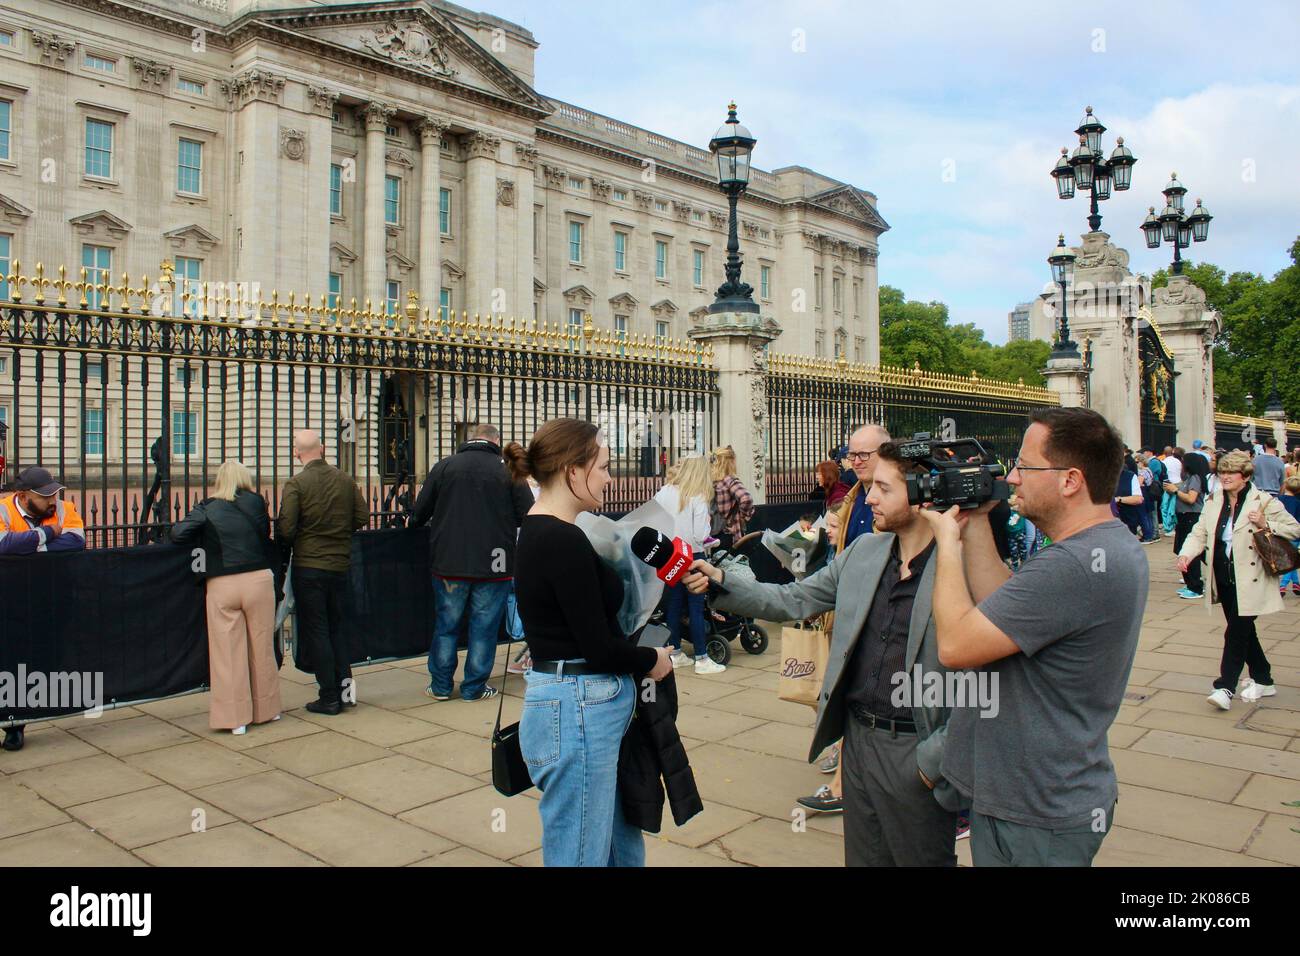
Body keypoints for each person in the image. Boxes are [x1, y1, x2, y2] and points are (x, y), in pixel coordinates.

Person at [687, 442, 965, 866]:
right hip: (858, 742)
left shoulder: (958, 568)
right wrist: (722, 579)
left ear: (924, 493)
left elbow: (988, 678)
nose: (868, 498)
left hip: (916, 750)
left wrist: (934, 761)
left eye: (883, 489)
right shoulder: (864, 553)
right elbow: (793, 599)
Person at [920, 407, 1147, 867]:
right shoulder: (1105, 545)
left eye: (1025, 465)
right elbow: (1006, 606)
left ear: (1070, 480)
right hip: (1046, 792)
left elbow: (957, 645)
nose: (1013, 478)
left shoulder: (1073, 565)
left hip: (1036, 812)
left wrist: (947, 543)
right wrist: (979, 519)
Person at [508, 419, 675, 866]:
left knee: (617, 846)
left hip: (577, 703)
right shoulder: (559, 539)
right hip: (577, 707)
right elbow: (599, 647)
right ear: (571, 471)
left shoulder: (551, 531)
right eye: (602, 466)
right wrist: (652, 659)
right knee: (580, 855)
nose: (608, 476)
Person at [410, 423, 534, 702]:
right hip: (496, 561)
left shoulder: (445, 466)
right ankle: (474, 687)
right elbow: (526, 513)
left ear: (470, 439)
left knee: (446, 625)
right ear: (496, 441)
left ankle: (441, 686)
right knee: (484, 628)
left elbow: (420, 511)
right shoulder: (508, 470)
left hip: (449, 560)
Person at [1177, 450, 1300, 709]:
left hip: (1251, 577)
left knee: (1235, 632)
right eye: (1221, 472)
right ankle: (1263, 678)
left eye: (1230, 472)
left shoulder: (1264, 501)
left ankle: (1225, 687)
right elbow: (1200, 531)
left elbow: (1294, 528)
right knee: (1244, 630)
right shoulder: (1214, 500)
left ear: (1245, 476)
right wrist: (1187, 554)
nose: (1225, 477)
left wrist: (1266, 523)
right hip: (1223, 574)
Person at [170, 460, 282, 734]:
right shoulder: (256, 503)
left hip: (222, 581)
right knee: (262, 646)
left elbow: (178, 535)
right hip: (258, 579)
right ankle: (267, 709)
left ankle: (235, 719)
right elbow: (264, 534)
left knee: (227, 653)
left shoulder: (206, 507)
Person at [276, 429, 368, 715]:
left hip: (309, 566)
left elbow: (287, 529)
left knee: (317, 630)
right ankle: (345, 690)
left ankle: (328, 696)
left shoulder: (296, 484)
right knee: (337, 628)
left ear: (296, 452)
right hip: (339, 565)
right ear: (324, 448)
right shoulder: (345, 480)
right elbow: (362, 517)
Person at [0, 467, 86, 751]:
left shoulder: (64, 508)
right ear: (23, 497)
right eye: (45, 495)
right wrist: (48, 533)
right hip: (9, 598)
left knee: (40, 658)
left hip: (50, 595)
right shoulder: (2, 510)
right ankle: (11, 721)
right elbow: (3, 544)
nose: (53, 500)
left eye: (54, 493)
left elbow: (76, 540)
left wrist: (29, 549)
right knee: (10, 659)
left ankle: (22, 718)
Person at [653, 456, 726, 675]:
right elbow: (700, 534)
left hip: (670, 555)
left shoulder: (664, 492)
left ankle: (674, 652)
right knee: (696, 607)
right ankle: (702, 658)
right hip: (693, 555)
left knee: (673, 606)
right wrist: (712, 537)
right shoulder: (698, 496)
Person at [835, 423, 891, 549]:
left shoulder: (898, 501)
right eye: (852, 455)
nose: (856, 462)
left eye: (864, 454)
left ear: (885, 453)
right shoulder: (850, 498)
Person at [1167, 452, 1210, 599]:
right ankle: (1191, 583)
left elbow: (1191, 499)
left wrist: (1175, 491)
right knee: (1183, 550)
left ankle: (1195, 586)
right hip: (1184, 518)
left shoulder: (1195, 478)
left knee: (1190, 552)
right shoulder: (1189, 478)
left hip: (1191, 517)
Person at [710, 445, 754, 550]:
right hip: (730, 533)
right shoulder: (730, 481)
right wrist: (744, 515)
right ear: (730, 462)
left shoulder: (713, 482)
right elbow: (746, 498)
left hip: (714, 534)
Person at [1114, 453, 1148, 541]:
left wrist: (1118, 499)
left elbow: (1138, 499)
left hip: (1127, 521)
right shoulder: (1101, 476)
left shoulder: (1130, 476)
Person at [1278, 476, 1300, 596]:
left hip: (1281, 532)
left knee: (1290, 560)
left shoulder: (1278, 500)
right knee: (1292, 560)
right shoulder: (1298, 503)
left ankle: (1285, 584)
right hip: (1294, 535)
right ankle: (1293, 583)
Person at [1160, 448, 1183, 534]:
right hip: (1178, 484)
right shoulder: (1178, 461)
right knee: (1173, 506)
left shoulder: (1164, 461)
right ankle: (1174, 525)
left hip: (1168, 484)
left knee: (1165, 506)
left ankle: (1168, 527)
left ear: (1164, 453)